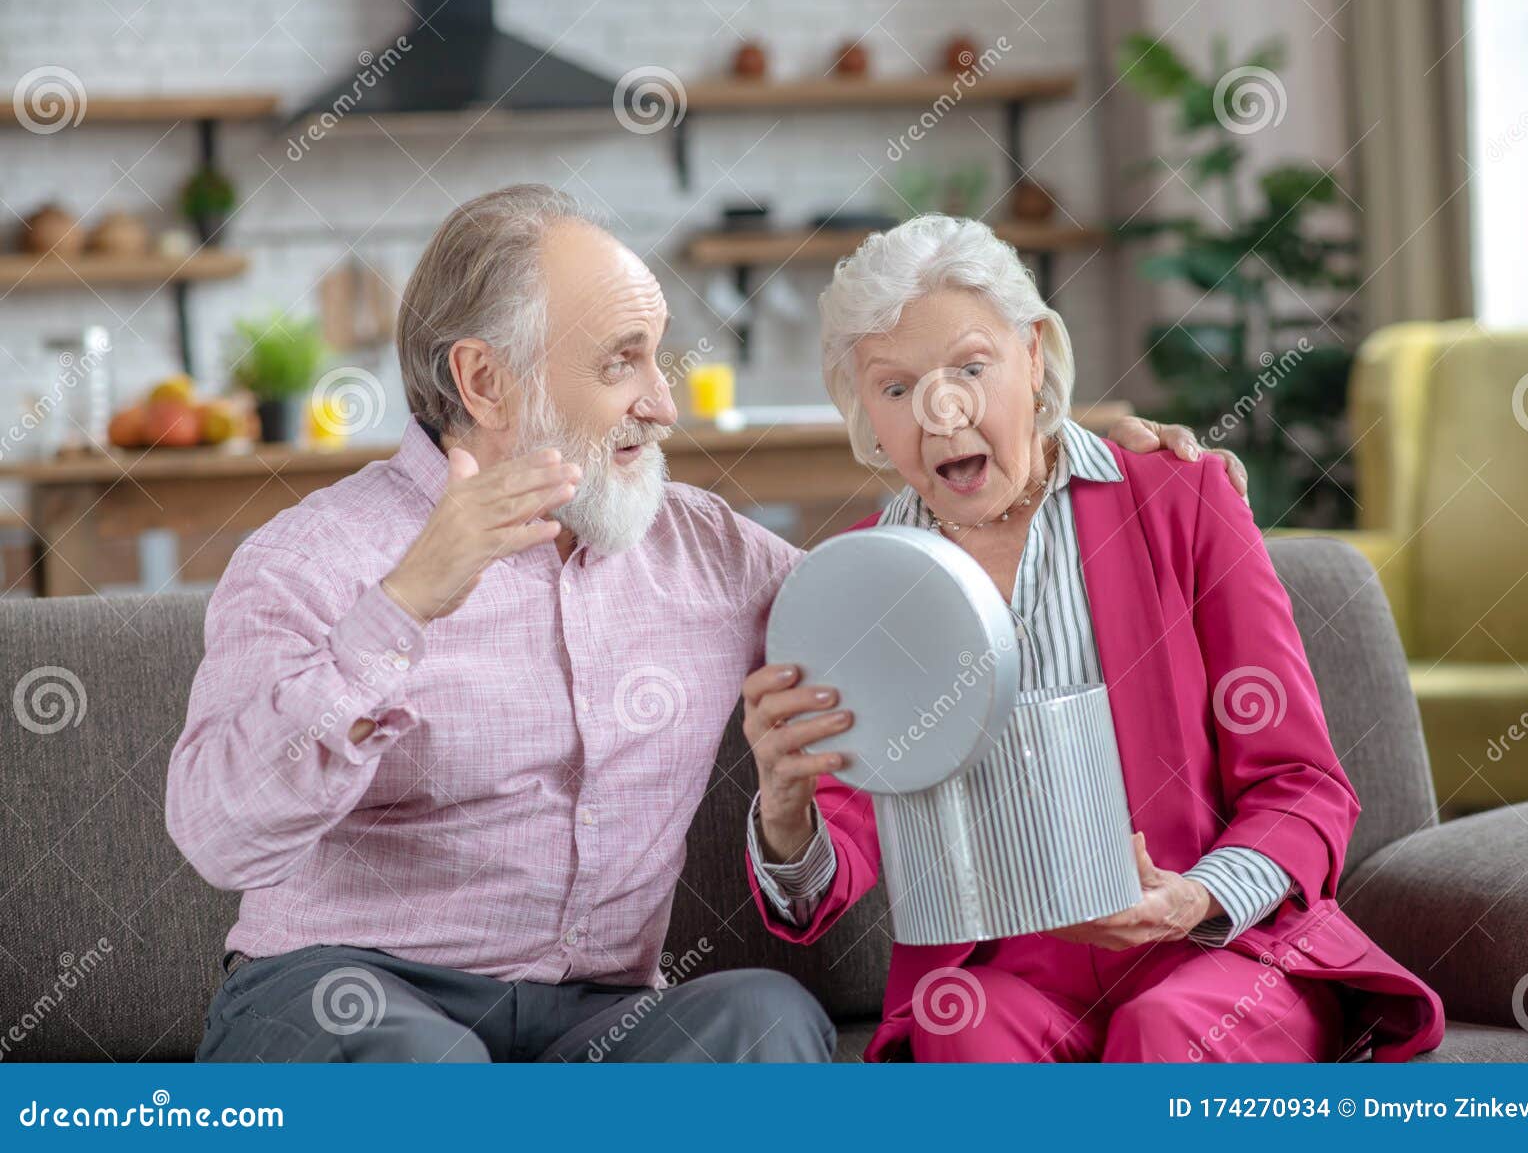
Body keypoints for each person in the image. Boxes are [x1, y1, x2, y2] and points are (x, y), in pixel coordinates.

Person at [165, 185, 1221, 1062]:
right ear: (484, 380)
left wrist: (1058, 450)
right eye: (622, 361)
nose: (663, 403)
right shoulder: (313, 559)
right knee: (422, 1065)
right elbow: (217, 832)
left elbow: (913, 613)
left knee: (763, 1020)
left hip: (594, 1023)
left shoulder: (703, 548)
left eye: (658, 358)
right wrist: (400, 610)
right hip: (347, 1001)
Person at [741, 213, 1446, 1063]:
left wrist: (1196, 896)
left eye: (972, 366)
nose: (943, 413)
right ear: (865, 411)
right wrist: (786, 814)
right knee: (960, 1027)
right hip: (1007, 974)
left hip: (1214, 946)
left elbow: (1303, 784)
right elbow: (833, 860)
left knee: (1166, 1030)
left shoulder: (1181, 500)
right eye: (895, 389)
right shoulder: (859, 584)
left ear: (1033, 355)